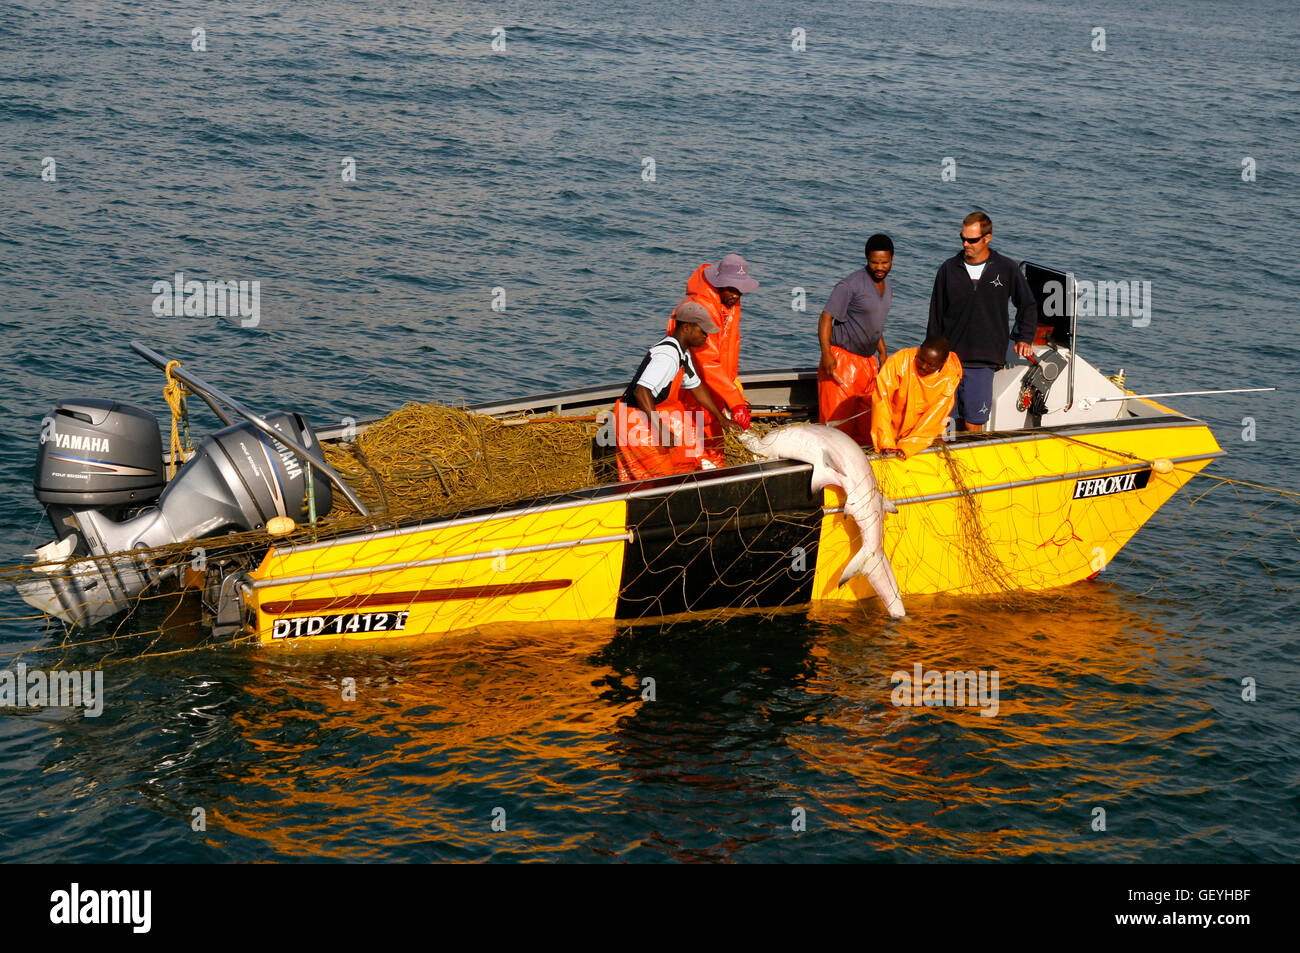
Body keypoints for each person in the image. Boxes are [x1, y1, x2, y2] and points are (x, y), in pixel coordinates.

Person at [926, 211, 1038, 432]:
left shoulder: (1006, 268)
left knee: (973, 423)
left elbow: (1028, 304)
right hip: (949, 359)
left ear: (987, 238)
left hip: (983, 361)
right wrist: (931, 356)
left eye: (972, 240)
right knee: (945, 422)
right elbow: (935, 315)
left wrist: (1024, 338)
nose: (965, 244)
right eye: (963, 238)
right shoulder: (949, 269)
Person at [614, 301, 733, 482]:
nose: (706, 336)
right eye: (703, 331)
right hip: (635, 419)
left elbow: (696, 386)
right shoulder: (667, 356)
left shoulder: (683, 353)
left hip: (652, 416)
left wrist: (721, 417)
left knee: (683, 467)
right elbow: (641, 391)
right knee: (659, 479)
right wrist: (660, 429)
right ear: (686, 327)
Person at [663, 254, 757, 468]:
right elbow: (706, 360)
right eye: (732, 288)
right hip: (689, 389)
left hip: (715, 389)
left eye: (741, 289)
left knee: (713, 447)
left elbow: (729, 347)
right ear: (718, 282)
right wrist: (735, 400)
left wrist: (732, 386)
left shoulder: (729, 303)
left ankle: (712, 470)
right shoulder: (698, 309)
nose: (737, 294)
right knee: (689, 447)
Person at [818, 233, 894, 443]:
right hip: (842, 362)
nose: (879, 267)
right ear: (867, 259)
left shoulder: (888, 286)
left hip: (868, 364)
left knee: (867, 426)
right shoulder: (849, 285)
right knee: (837, 427)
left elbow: (872, 324)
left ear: (892, 259)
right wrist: (826, 354)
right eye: (874, 262)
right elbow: (826, 318)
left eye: (884, 262)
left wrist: (883, 352)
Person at [870, 336, 962, 459]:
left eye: (931, 365)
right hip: (893, 423)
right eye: (921, 359)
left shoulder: (949, 378)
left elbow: (933, 418)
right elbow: (882, 400)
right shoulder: (899, 361)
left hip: (927, 432)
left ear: (942, 363)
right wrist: (885, 442)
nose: (923, 366)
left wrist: (908, 447)